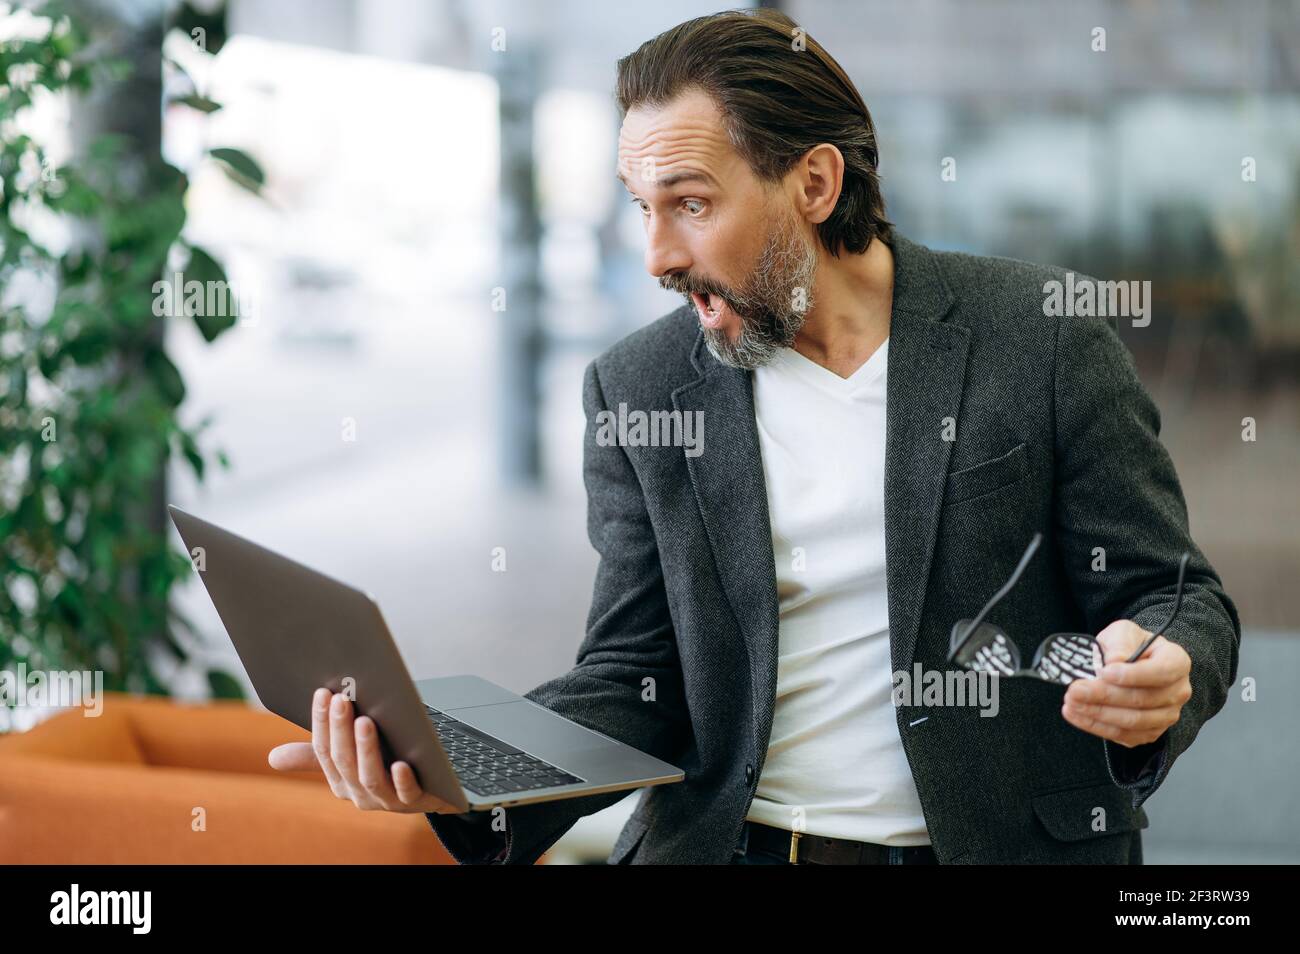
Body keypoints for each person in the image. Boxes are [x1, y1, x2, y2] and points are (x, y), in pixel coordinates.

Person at [269, 8, 1239, 865]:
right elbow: (634, 676)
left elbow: (1172, 591)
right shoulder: (639, 385)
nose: (657, 254)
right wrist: (457, 769)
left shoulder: (1042, 337)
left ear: (813, 183)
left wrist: (1165, 662)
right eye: (643, 208)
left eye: (690, 203)